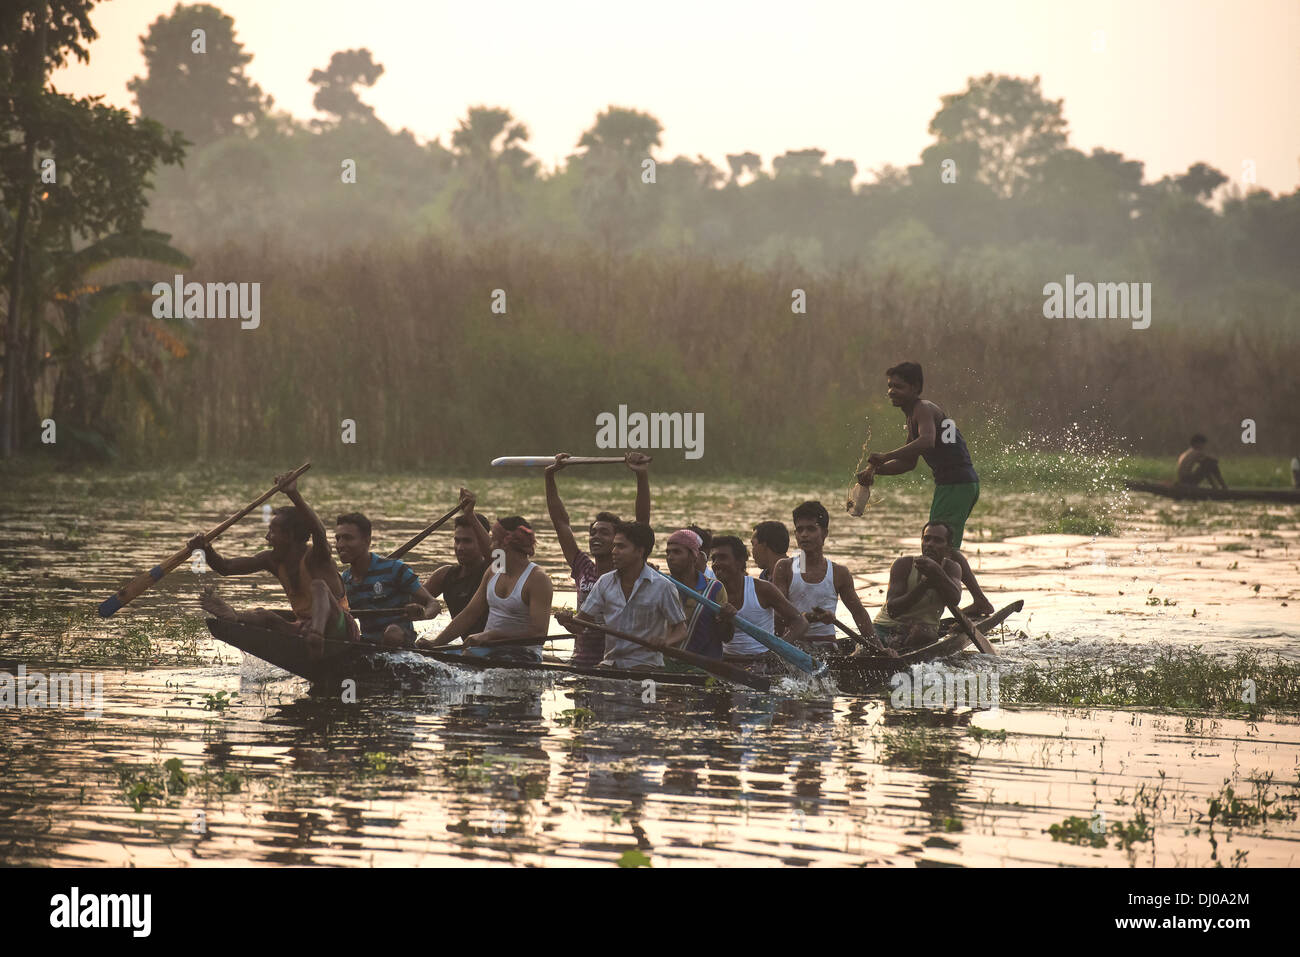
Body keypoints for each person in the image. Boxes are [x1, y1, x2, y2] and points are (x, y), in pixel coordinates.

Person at [855, 361, 994, 616]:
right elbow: (908, 463)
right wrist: (875, 472)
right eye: (889, 386)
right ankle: (976, 601)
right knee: (948, 549)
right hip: (953, 484)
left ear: (915, 388)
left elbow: (927, 441)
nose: (891, 391)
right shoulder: (912, 416)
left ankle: (978, 601)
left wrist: (884, 456)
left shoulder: (923, 409)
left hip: (957, 483)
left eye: (898, 386)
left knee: (946, 548)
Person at [191, 471, 358, 643]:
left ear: (290, 536)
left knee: (318, 586)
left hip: (340, 628)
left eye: (273, 532)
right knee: (266, 616)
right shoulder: (271, 560)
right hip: (303, 628)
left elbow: (319, 531)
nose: (267, 537)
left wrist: (293, 494)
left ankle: (316, 635)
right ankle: (235, 616)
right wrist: (205, 548)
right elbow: (226, 567)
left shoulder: (316, 557)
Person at [545, 451, 651, 667]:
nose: (596, 538)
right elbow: (561, 522)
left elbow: (642, 524)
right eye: (593, 533)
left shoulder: (629, 568)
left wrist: (641, 477)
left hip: (619, 662)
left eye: (604, 533)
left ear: (618, 540)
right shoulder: (582, 566)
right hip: (583, 660)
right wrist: (549, 477)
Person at [556, 521, 686, 670]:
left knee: (646, 690)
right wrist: (567, 621)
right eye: (614, 546)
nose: (614, 551)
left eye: (621, 546)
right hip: (610, 664)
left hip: (647, 666)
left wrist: (665, 641)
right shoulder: (605, 582)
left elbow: (681, 629)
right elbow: (580, 625)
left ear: (639, 551)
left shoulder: (663, 586)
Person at [420, 517, 553, 661]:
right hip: (486, 651)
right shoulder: (493, 571)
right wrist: (435, 644)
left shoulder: (538, 579)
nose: (490, 547)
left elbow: (539, 634)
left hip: (523, 653)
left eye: (494, 541)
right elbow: (469, 614)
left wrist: (492, 635)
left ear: (507, 544)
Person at [771, 501, 879, 653]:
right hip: (794, 646)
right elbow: (778, 616)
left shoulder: (839, 573)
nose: (804, 535)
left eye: (811, 529)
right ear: (795, 534)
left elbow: (859, 614)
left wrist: (879, 649)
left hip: (827, 648)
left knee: (864, 651)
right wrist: (809, 618)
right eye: (799, 530)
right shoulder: (785, 567)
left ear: (824, 533)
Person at [335, 511, 441, 647]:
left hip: (401, 642)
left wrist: (423, 614)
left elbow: (434, 603)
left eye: (348, 538)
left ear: (367, 540)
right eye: (338, 539)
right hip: (369, 644)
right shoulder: (345, 580)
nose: (340, 545)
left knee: (392, 633)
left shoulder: (395, 569)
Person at [860, 521, 962, 655]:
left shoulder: (951, 568)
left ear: (948, 548)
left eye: (938, 541)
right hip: (885, 627)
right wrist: (924, 585)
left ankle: (900, 655)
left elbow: (955, 599)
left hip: (921, 633)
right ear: (921, 541)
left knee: (922, 633)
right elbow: (893, 610)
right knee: (863, 651)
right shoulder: (903, 564)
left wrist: (938, 573)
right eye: (927, 539)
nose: (930, 544)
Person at [708, 535, 811, 663]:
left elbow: (801, 622)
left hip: (763, 663)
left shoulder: (762, 589)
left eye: (722, 557)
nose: (716, 564)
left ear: (740, 561)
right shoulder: (710, 593)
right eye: (714, 559)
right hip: (726, 662)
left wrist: (778, 649)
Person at [422, 492, 494, 634]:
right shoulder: (444, 575)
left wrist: (470, 515)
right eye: (457, 540)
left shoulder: (495, 571)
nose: (460, 548)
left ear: (481, 541)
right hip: (465, 649)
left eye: (467, 541)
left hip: (495, 647)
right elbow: (410, 601)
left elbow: (497, 556)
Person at [664, 529, 730, 660]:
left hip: (704, 666)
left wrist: (726, 619)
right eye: (668, 552)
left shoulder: (715, 588)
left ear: (693, 556)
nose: (670, 557)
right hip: (666, 664)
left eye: (677, 552)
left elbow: (726, 637)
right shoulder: (662, 586)